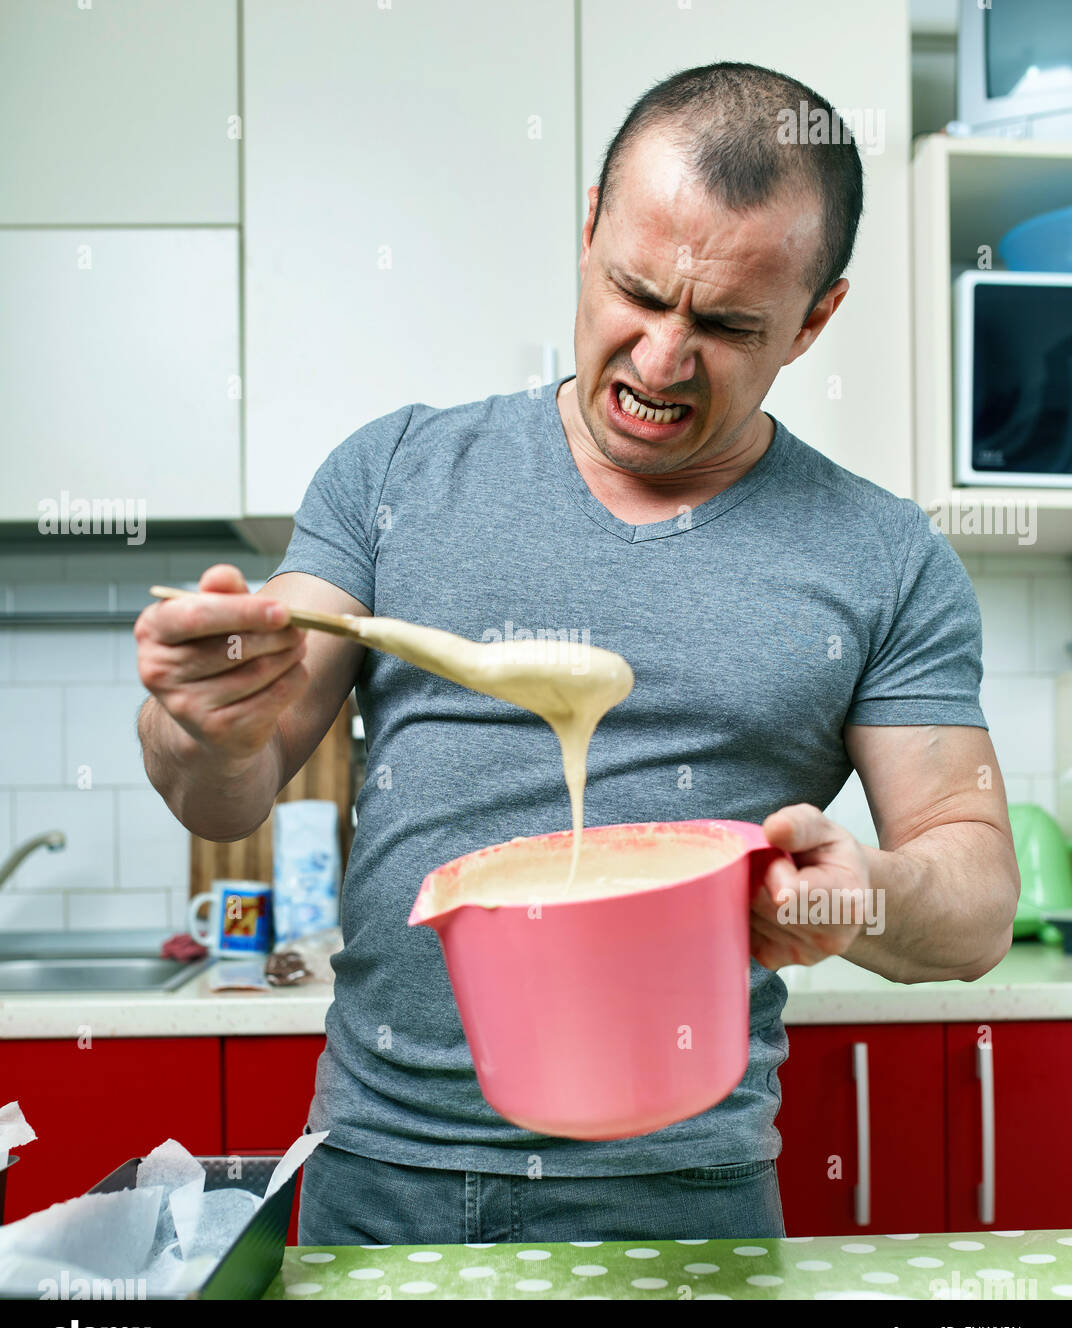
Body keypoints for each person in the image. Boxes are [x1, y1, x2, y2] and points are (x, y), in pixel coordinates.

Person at [135, 62, 1019, 1245]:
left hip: (685, 1196)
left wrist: (856, 893)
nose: (659, 361)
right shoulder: (395, 474)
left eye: (722, 324)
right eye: (636, 293)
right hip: (379, 1175)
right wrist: (199, 718)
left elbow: (973, 903)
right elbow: (227, 780)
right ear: (589, 222)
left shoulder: (881, 555)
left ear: (814, 320)